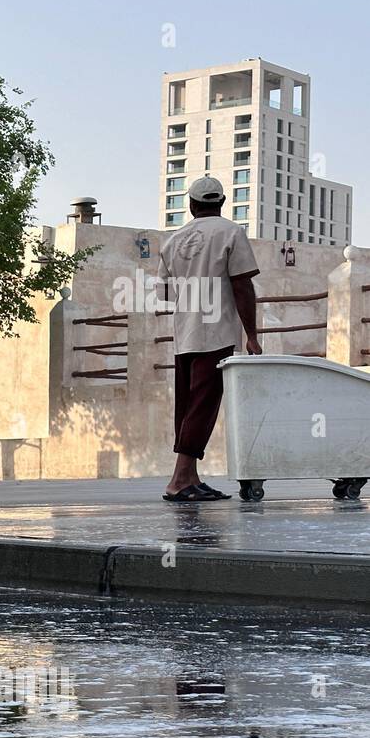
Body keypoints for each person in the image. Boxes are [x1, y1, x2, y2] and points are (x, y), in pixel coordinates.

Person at [155, 176, 260, 503]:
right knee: (203, 404)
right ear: (223, 202)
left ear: (191, 205)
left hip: (184, 332)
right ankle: (179, 480)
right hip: (215, 333)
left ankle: (189, 477)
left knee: (187, 406)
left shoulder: (172, 241)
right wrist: (252, 336)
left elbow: (164, 293)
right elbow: (242, 286)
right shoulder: (231, 233)